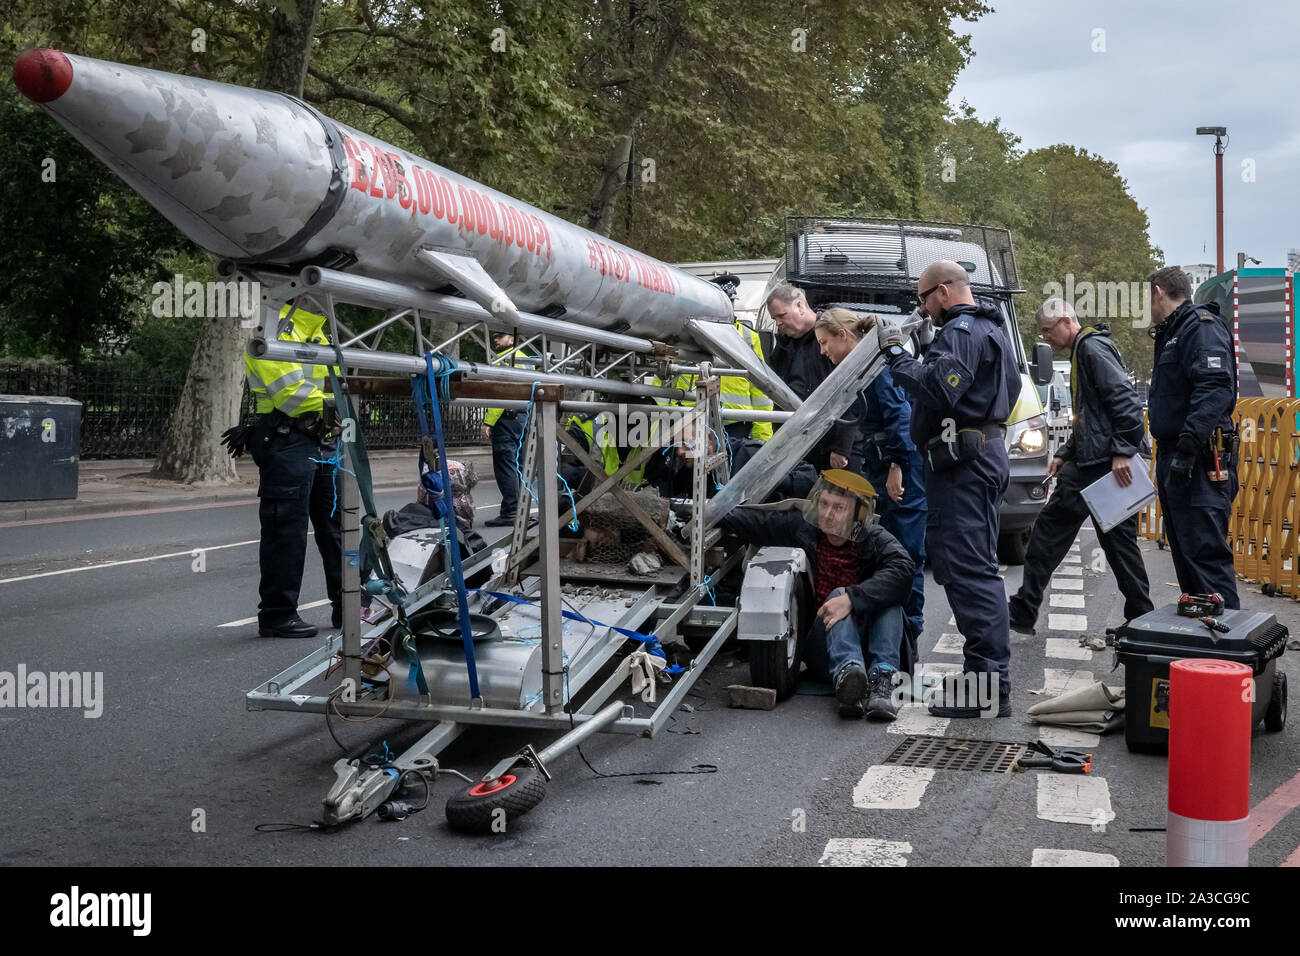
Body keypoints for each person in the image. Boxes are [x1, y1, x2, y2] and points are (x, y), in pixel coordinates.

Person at [876, 260, 1021, 717]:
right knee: (971, 569)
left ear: (941, 291)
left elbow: (938, 389)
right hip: (978, 457)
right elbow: (1009, 390)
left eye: (922, 299)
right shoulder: (993, 331)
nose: (921, 310)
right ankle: (985, 676)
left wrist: (899, 356)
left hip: (965, 466)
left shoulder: (961, 331)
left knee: (970, 573)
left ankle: (987, 684)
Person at [1008, 299, 1154, 632]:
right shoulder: (1086, 349)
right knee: (1118, 545)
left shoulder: (1090, 350)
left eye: (1047, 330)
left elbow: (1126, 402)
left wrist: (1121, 450)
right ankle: (1143, 617)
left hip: (1101, 465)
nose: (1046, 340)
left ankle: (1024, 608)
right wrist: (1066, 453)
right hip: (1095, 461)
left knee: (1047, 532)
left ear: (1065, 321)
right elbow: (1092, 417)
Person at [719, 470, 913, 720]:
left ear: (858, 515)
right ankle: (848, 677)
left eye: (839, 508)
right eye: (824, 504)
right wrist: (713, 511)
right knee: (837, 595)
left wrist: (852, 600)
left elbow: (904, 570)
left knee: (887, 602)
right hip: (824, 648)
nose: (828, 515)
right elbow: (757, 522)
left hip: (871, 642)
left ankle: (882, 685)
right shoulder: (803, 529)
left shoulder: (875, 539)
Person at [814, 307, 928, 642]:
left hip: (902, 466)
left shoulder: (877, 367)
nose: (823, 351)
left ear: (843, 336)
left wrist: (896, 467)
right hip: (885, 463)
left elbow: (900, 417)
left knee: (905, 549)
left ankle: (909, 630)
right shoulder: (864, 366)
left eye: (824, 342)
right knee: (888, 547)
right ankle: (890, 629)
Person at [241, 299, 343, 638]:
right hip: (286, 441)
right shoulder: (271, 328)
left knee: (338, 526)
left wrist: (341, 403)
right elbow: (290, 395)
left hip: (321, 439)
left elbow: (339, 381)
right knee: (286, 531)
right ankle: (277, 615)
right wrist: (342, 403)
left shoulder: (318, 331)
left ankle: (349, 605)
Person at [1146, 266, 1240, 607]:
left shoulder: (1200, 328)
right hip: (1180, 457)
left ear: (1158, 291)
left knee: (1205, 556)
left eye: (1148, 298)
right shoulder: (1175, 331)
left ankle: (1227, 653)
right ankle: (1203, 648)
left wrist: (1187, 447)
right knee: (1188, 556)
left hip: (1201, 459)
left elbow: (1215, 389)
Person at [766, 283, 858, 470]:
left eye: (781, 315)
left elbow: (850, 390)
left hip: (832, 444)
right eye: (774, 318)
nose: (778, 323)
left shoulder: (832, 341)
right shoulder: (782, 348)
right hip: (796, 443)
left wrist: (842, 446)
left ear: (800, 305)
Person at [480, 332, 530, 527]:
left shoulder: (504, 359)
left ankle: (510, 511)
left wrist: (488, 422)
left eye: (499, 336)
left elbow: (500, 394)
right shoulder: (527, 359)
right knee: (519, 465)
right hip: (522, 418)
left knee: (505, 465)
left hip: (506, 419)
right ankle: (521, 510)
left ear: (512, 339)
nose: (495, 339)